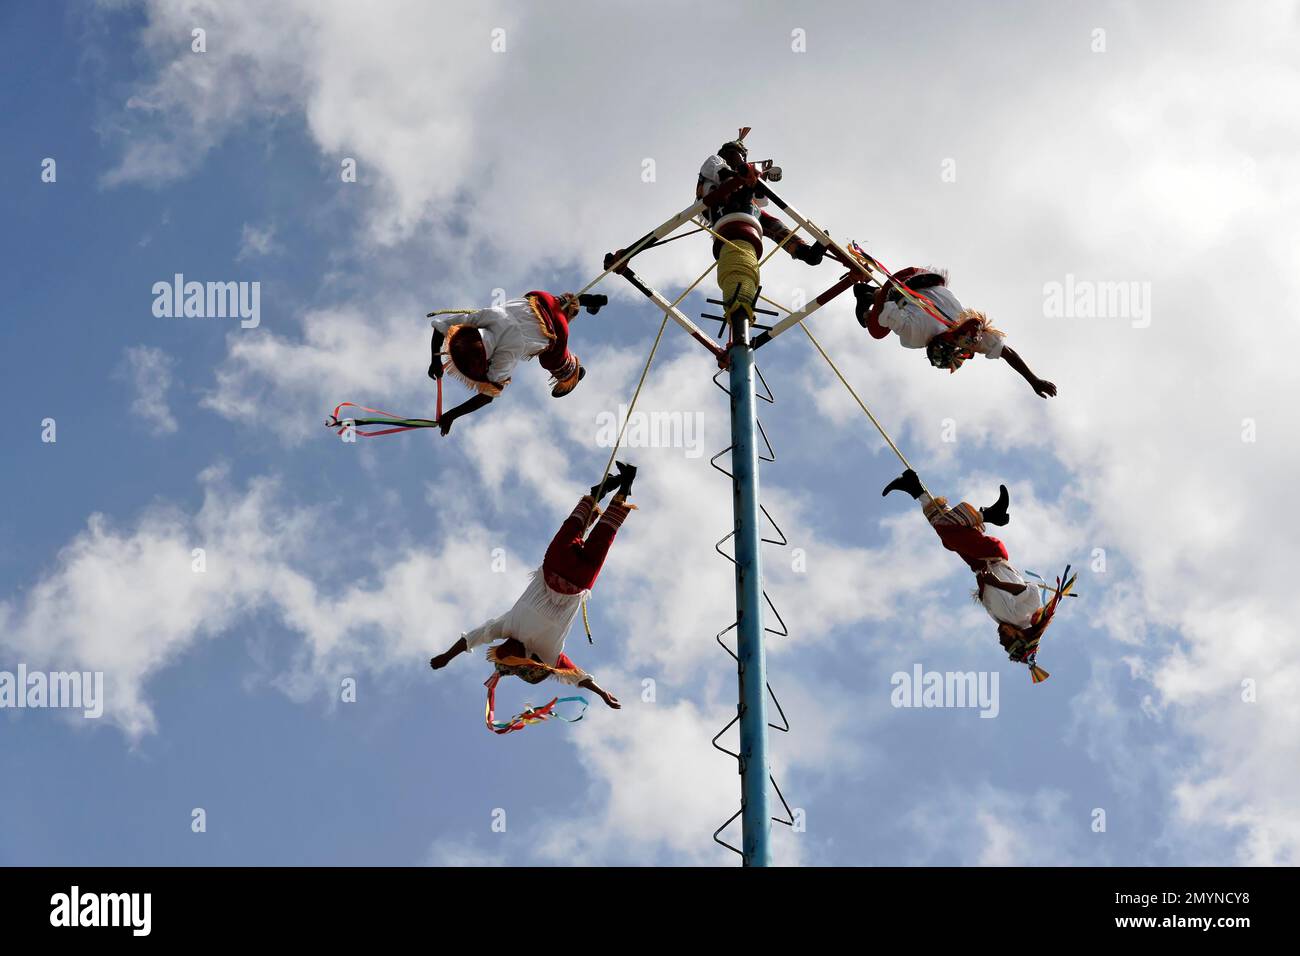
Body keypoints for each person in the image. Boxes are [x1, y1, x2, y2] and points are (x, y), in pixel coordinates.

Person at [429, 462, 640, 724]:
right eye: (510, 651)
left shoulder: (506, 627)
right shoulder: (550, 654)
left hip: (555, 564)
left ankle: (600, 490)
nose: (506, 644)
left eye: (504, 648)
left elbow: (473, 638)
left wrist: (447, 656)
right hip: (581, 580)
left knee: (575, 523)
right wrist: (601, 693)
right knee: (604, 534)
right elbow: (576, 676)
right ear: (525, 660)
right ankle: (626, 483)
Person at [882, 468, 1074, 681]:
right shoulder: (1023, 617)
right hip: (992, 554)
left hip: (978, 562)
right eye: (1007, 642)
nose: (1001, 641)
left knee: (947, 534)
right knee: (947, 529)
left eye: (1003, 646)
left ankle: (915, 488)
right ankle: (991, 514)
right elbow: (1032, 591)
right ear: (1020, 636)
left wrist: (984, 583)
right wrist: (997, 583)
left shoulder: (999, 618)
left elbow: (989, 590)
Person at [854, 267, 1057, 398]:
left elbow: (1007, 352)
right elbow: (886, 310)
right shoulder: (915, 338)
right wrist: (876, 298)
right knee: (877, 331)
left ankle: (869, 296)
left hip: (921, 275)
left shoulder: (967, 336)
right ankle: (866, 303)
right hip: (897, 286)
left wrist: (1033, 379)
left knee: (891, 311)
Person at [427, 290, 607, 434]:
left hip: (555, 329)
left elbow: (488, 397)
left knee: (553, 361)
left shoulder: (507, 352)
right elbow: (440, 329)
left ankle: (577, 371)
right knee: (558, 304)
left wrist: (452, 415)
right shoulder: (488, 315)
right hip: (539, 300)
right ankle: (583, 301)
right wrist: (435, 361)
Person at [695, 128, 826, 267]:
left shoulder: (743, 174)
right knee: (733, 187)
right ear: (727, 153)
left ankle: (806, 253)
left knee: (774, 224)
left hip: (743, 208)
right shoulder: (715, 160)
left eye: (742, 156)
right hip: (718, 204)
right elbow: (721, 173)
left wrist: (758, 182)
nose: (740, 157)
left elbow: (760, 201)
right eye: (738, 154)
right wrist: (744, 175)